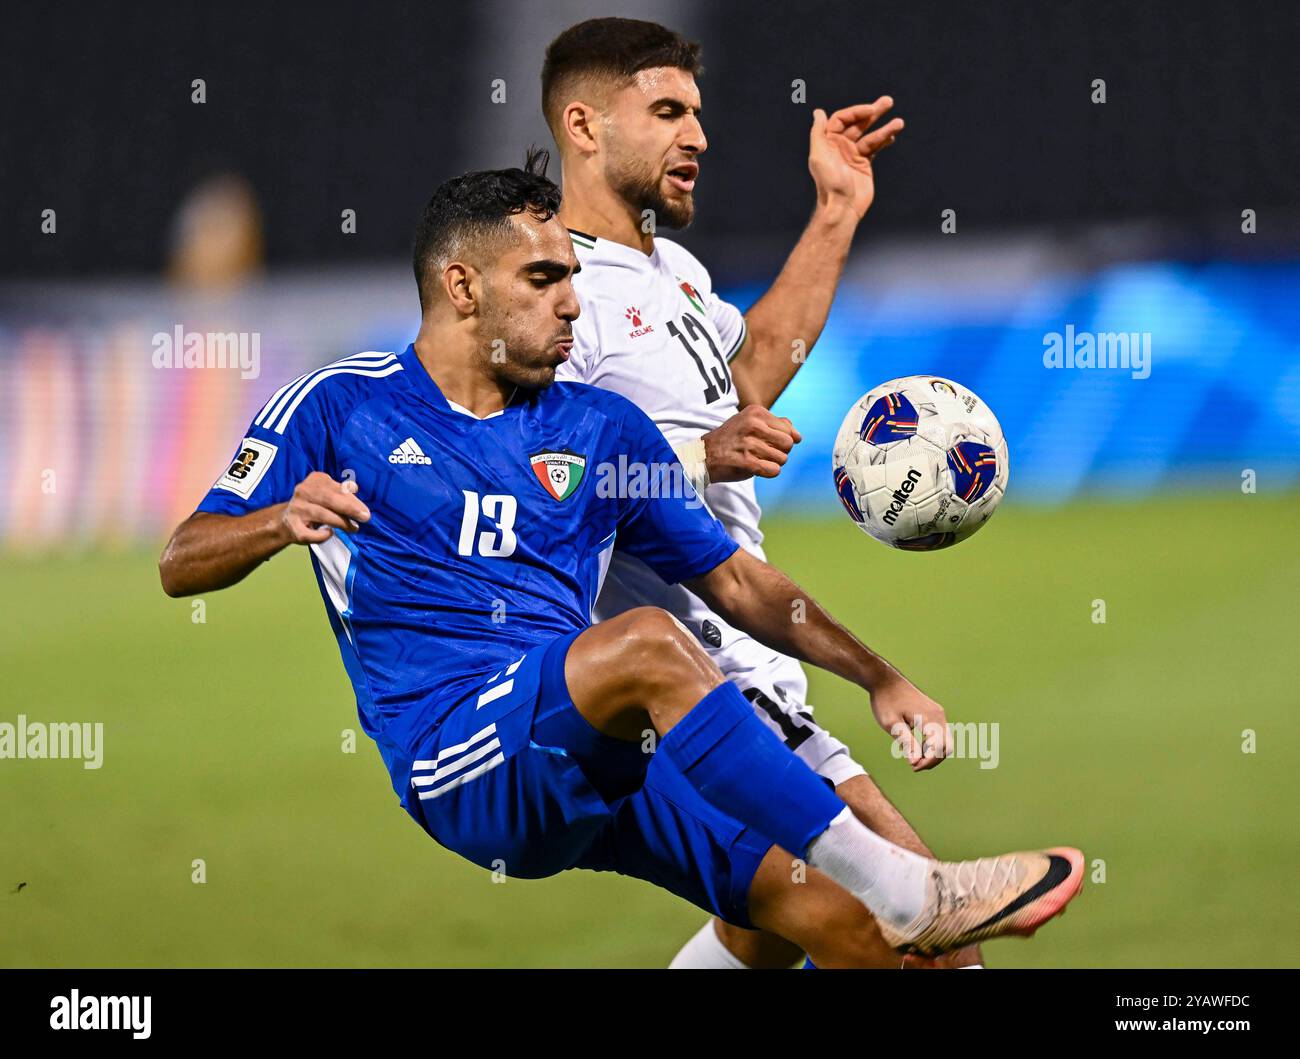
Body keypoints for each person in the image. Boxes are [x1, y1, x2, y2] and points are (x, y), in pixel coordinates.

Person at [158, 158, 1083, 966]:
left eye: (571, 274)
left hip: (598, 745)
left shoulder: (598, 428)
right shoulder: (339, 406)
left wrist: (879, 675)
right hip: (459, 755)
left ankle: (890, 903)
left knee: (836, 923)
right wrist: (278, 519)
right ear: (462, 286)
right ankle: (910, 888)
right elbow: (182, 559)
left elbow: (734, 581)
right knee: (647, 641)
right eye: (543, 277)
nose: (570, 300)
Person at [542, 16, 978, 967]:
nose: (697, 136)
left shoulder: (673, 271)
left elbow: (748, 379)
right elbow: (547, 483)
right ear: (583, 126)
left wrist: (836, 211)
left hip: (750, 665)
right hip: (689, 687)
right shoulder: (552, 293)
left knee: (765, 935)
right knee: (928, 938)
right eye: (667, 112)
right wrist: (700, 456)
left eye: (697, 114)